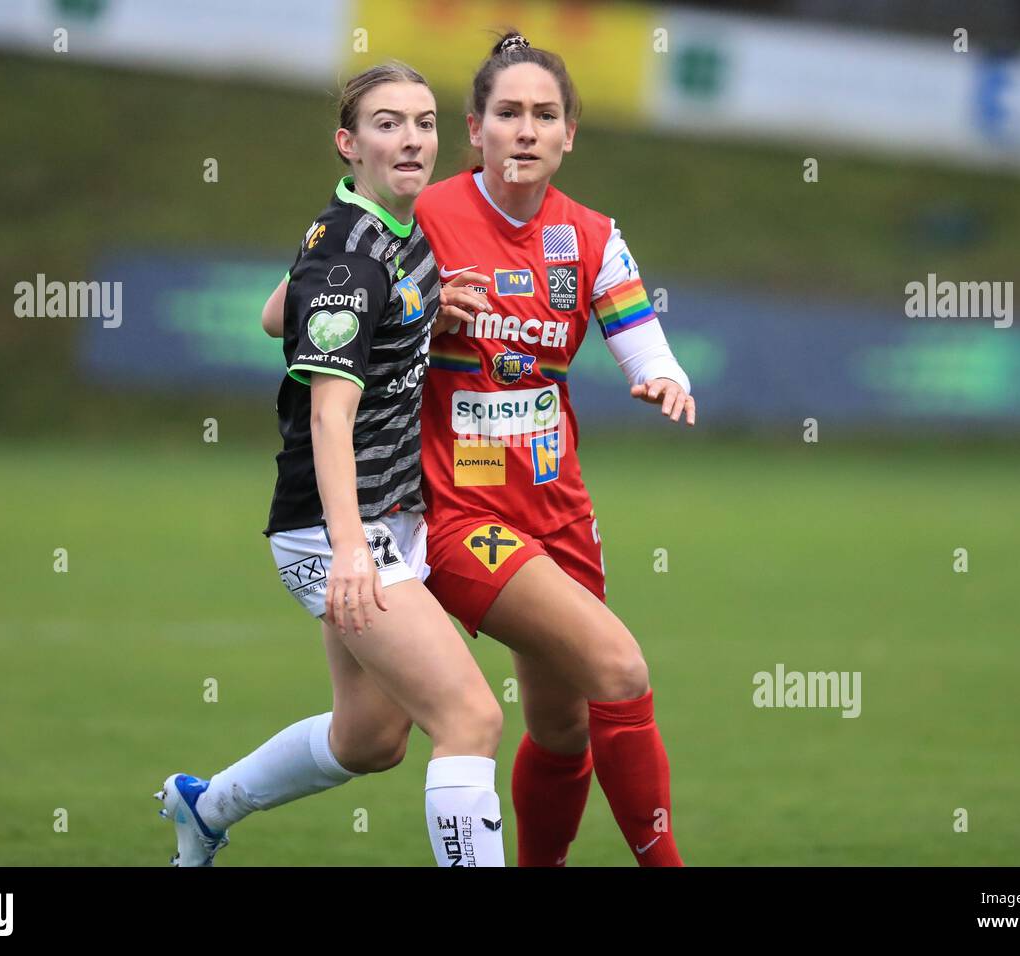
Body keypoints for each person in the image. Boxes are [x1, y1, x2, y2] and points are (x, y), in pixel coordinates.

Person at [158, 62, 506, 867]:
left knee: (371, 738)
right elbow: (327, 411)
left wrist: (416, 307)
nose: (411, 137)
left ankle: (204, 807)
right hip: (340, 527)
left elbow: (275, 312)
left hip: (379, 516)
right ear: (348, 144)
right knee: (470, 718)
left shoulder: (383, 227)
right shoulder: (352, 259)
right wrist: (351, 545)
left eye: (423, 121)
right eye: (387, 123)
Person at [415, 32, 696, 867]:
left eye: (545, 114)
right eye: (509, 113)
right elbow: (351, 337)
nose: (526, 130)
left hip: (556, 505)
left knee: (564, 726)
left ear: (571, 131)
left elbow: (643, 340)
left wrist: (662, 378)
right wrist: (424, 318)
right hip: (460, 510)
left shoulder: (593, 236)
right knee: (619, 667)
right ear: (476, 129)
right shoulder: (424, 217)